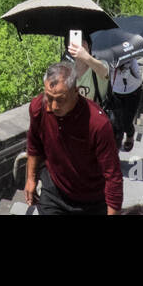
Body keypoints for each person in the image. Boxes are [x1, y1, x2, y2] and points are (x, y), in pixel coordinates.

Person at [25, 61, 123, 215]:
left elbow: (113, 176)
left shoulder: (97, 124)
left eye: (60, 99)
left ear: (76, 92)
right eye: (49, 97)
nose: (54, 106)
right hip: (54, 189)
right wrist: (31, 179)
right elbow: (34, 144)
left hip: (91, 199)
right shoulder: (39, 107)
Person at [108, 43, 143, 152]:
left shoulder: (130, 59)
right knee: (115, 122)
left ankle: (130, 134)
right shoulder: (108, 59)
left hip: (133, 91)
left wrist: (125, 69)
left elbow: (138, 76)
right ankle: (116, 147)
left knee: (127, 121)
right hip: (116, 92)